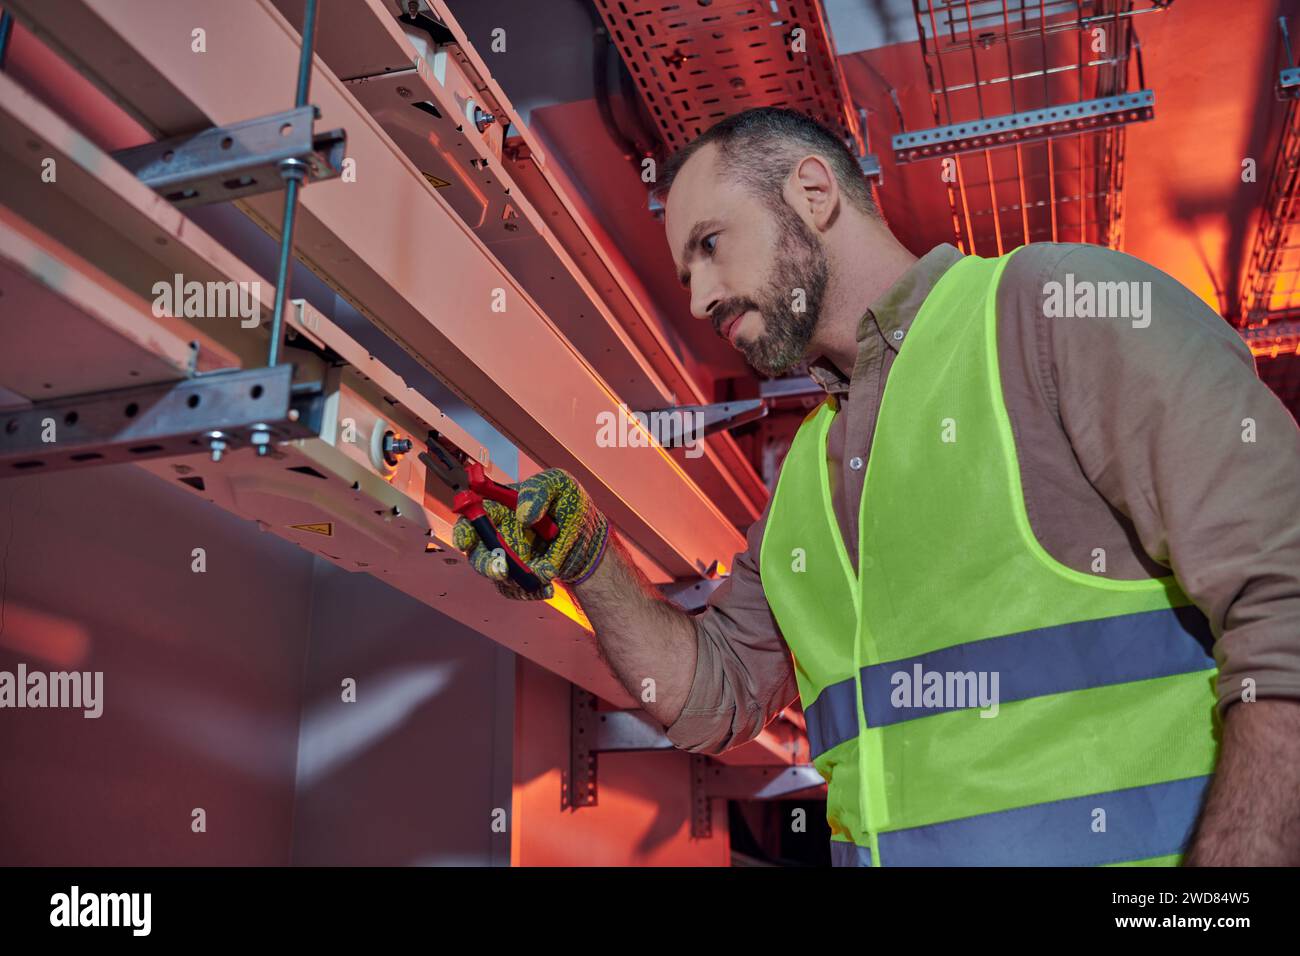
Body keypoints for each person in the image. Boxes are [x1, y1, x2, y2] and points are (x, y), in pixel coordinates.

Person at [452, 107, 1300, 866]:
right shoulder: (805, 484)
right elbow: (712, 697)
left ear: (813, 192)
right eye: (687, 276)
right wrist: (586, 554)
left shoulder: (1049, 314)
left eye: (709, 245)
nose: (702, 296)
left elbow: (1285, 605)